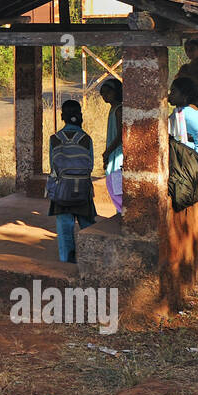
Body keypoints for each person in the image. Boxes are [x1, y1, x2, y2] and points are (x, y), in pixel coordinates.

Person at [48, 100, 96, 263]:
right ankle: (90, 258)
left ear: (62, 117)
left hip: (62, 192)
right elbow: (90, 165)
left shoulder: (54, 139)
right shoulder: (86, 139)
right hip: (83, 191)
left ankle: (66, 261)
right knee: (88, 227)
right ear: (80, 115)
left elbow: (52, 166)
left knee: (64, 230)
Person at [99, 78, 124, 214]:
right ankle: (119, 211)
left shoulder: (119, 109)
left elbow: (120, 135)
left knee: (116, 183)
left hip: (117, 152)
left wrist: (108, 152)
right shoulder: (113, 109)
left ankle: (121, 211)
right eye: (103, 93)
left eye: (108, 92)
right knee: (114, 183)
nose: (105, 96)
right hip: (113, 152)